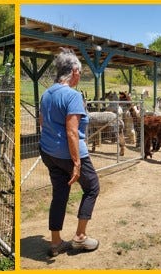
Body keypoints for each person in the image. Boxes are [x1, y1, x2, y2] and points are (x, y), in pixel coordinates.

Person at [39, 48, 100, 257]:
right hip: (69, 154)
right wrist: (76, 163)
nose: (79, 77)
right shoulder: (72, 96)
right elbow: (72, 132)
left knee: (60, 194)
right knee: (92, 187)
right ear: (74, 71)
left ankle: (56, 242)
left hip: (49, 152)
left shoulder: (46, 94)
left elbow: (42, 123)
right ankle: (80, 236)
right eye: (80, 73)